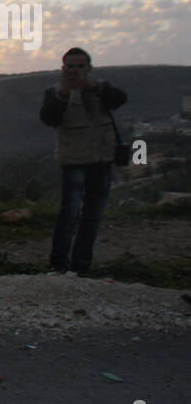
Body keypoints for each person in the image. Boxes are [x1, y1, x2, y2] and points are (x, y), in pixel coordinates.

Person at [39, 47, 128, 274]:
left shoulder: (101, 90)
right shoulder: (54, 91)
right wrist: (65, 95)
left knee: (92, 216)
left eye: (80, 66)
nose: (75, 71)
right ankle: (58, 265)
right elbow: (49, 118)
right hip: (74, 161)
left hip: (102, 159)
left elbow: (120, 99)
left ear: (89, 68)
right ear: (63, 69)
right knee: (68, 214)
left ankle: (81, 267)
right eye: (70, 67)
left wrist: (94, 88)